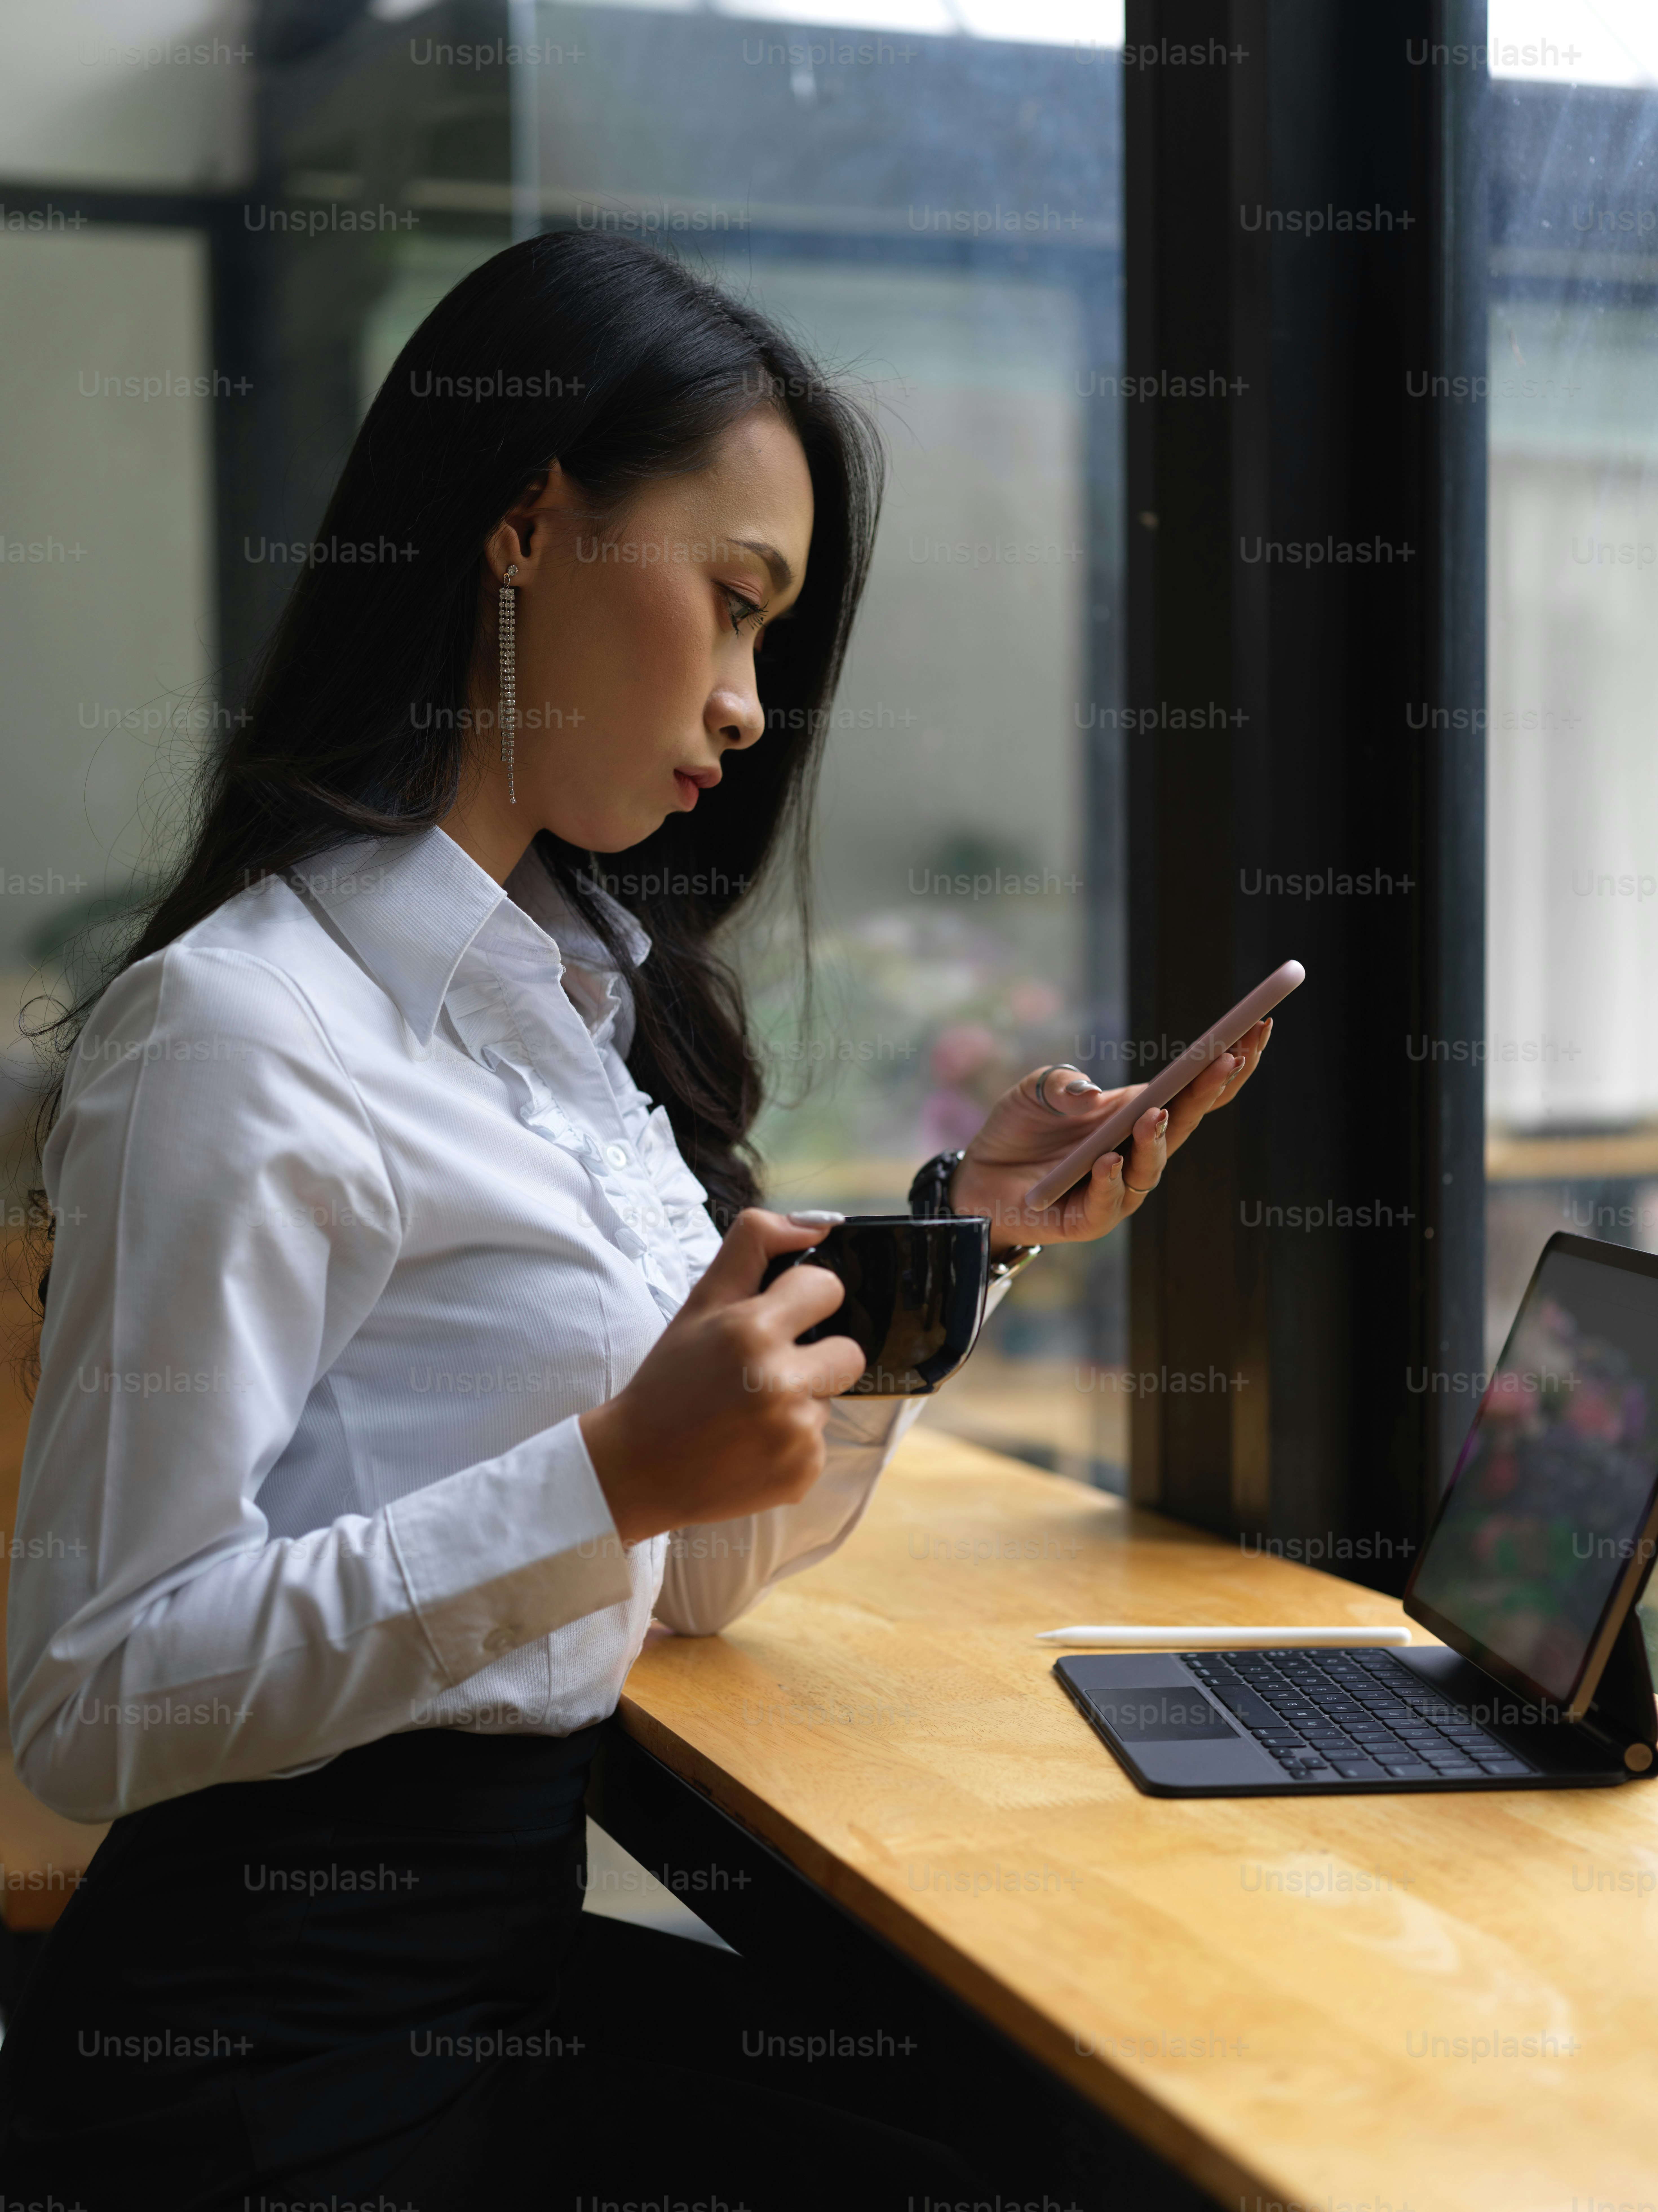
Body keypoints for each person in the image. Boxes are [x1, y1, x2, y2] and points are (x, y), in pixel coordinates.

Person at [0, 232, 1268, 2209]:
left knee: (1064, 2133)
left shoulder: (570, 1015)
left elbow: (687, 1577)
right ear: (524, 527)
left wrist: (966, 1244)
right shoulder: (239, 1033)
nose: (754, 707)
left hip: (483, 1989)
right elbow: (94, 1699)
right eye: (735, 606)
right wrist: (600, 1475)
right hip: (268, 2080)